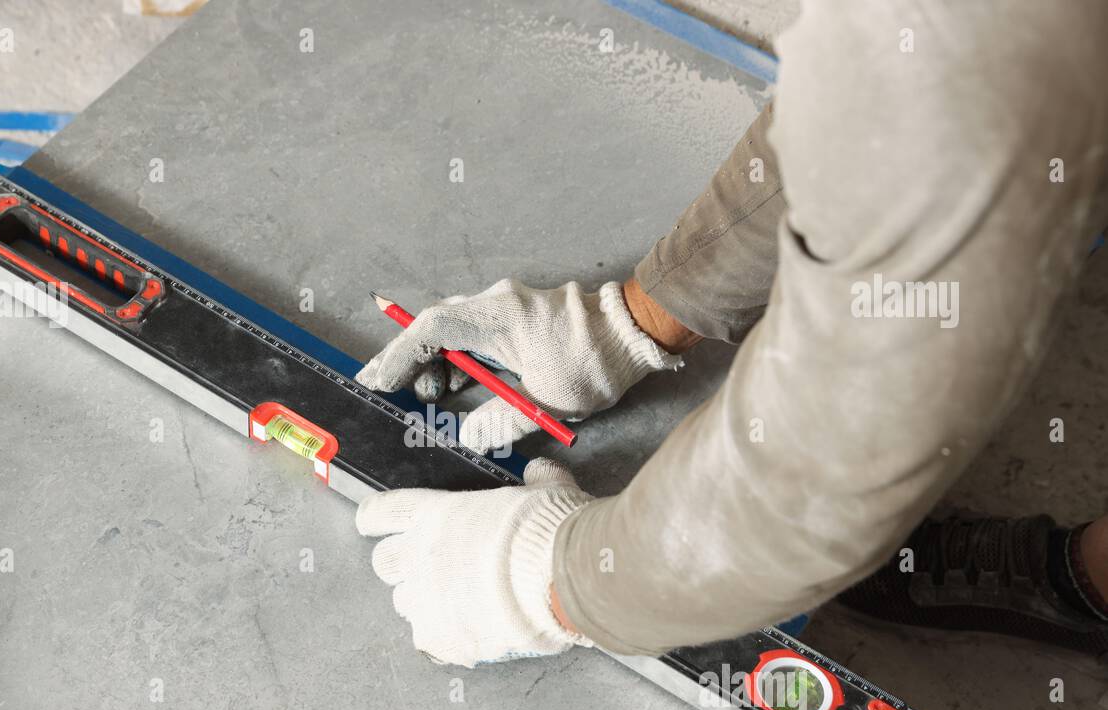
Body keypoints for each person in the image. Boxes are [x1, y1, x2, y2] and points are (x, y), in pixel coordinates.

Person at [353, 1, 1108, 668]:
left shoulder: (1016, 48)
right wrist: (631, 323)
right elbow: (872, 91)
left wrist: (556, 581)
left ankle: (1089, 585)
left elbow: (846, 454)